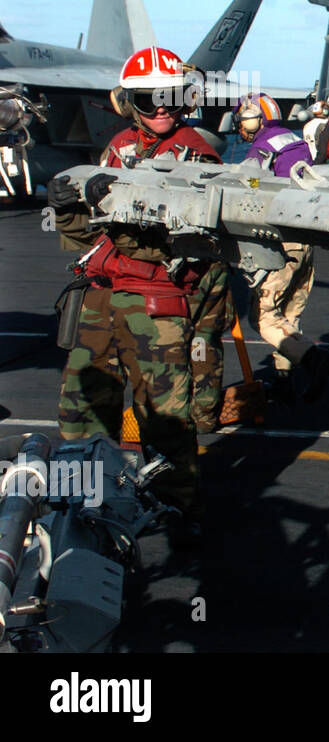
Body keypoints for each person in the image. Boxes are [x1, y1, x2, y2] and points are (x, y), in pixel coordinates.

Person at [47, 46, 227, 542]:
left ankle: (176, 514)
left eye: (172, 98)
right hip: (101, 294)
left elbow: (185, 241)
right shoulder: (118, 147)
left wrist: (113, 216)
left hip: (157, 300)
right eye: (151, 99)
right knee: (81, 404)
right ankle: (74, 503)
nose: (164, 109)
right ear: (131, 102)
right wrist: (67, 209)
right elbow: (87, 239)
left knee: (163, 416)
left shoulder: (198, 153)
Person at [234, 93, 329, 403]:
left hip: (282, 239)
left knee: (264, 318)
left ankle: (314, 361)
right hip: (307, 236)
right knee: (290, 313)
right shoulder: (295, 139)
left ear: (258, 118)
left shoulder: (263, 145)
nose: (241, 123)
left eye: (244, 117)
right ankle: (285, 380)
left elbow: (248, 184)